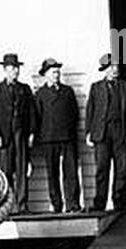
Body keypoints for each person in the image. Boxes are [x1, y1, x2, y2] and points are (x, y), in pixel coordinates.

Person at [85, 52, 126, 211]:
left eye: (116, 66)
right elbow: (90, 111)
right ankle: (99, 203)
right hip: (102, 132)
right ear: (105, 70)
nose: (115, 70)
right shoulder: (96, 88)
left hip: (120, 131)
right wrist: (88, 132)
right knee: (102, 169)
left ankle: (118, 201)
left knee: (122, 169)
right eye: (111, 67)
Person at [0, 53, 38, 212]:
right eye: (11, 68)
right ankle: (7, 207)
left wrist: (31, 133)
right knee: (6, 171)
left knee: (22, 171)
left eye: (16, 68)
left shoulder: (25, 89)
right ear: (5, 70)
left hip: (20, 135)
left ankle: (22, 206)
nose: (14, 71)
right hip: (5, 136)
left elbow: (32, 112)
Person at [34, 57, 81, 213]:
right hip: (49, 138)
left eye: (58, 72)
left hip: (67, 138)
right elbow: (37, 117)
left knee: (71, 172)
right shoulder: (40, 94)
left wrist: (71, 132)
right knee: (52, 174)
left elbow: (74, 114)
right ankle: (57, 205)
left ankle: (73, 204)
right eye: (53, 72)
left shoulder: (67, 91)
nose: (56, 75)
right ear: (46, 74)